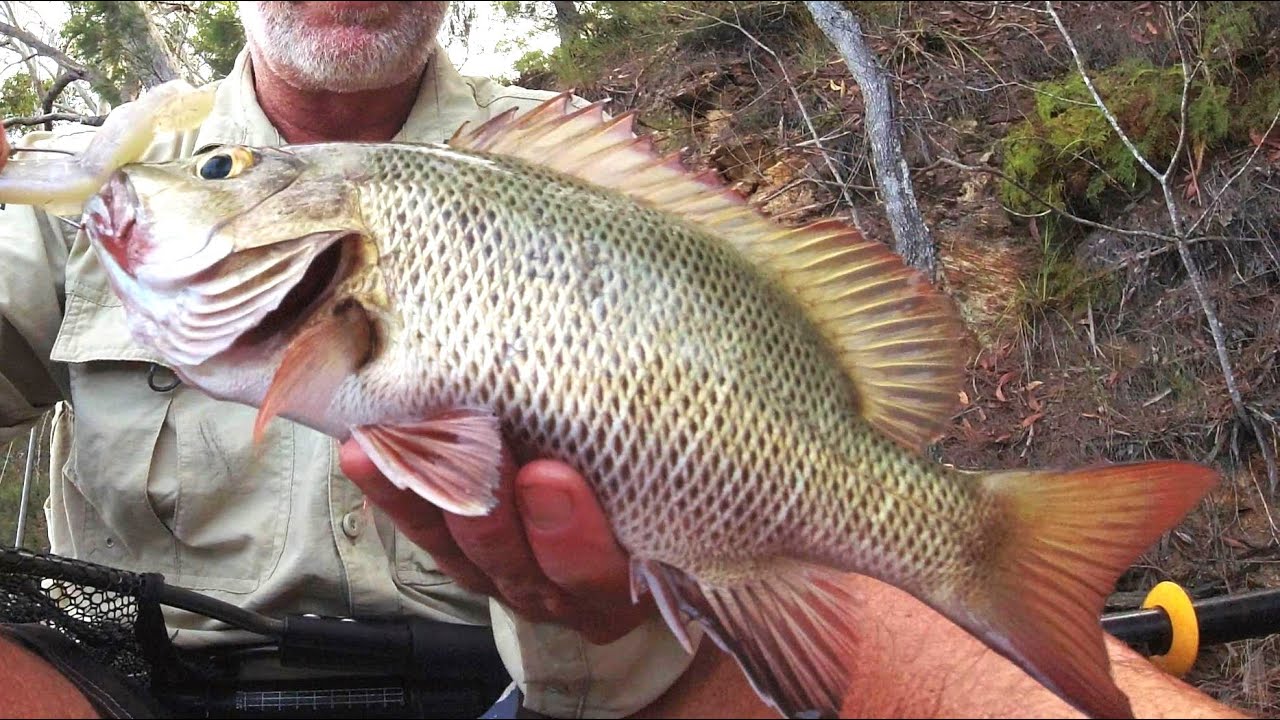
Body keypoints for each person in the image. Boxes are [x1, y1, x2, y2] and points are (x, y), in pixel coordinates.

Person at [0, 2, 1256, 718]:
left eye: (225, 179)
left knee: (869, 612)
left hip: (548, 699)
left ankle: (985, 553)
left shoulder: (554, 161)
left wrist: (620, 618)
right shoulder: (92, 185)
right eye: (220, 178)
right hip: (147, 695)